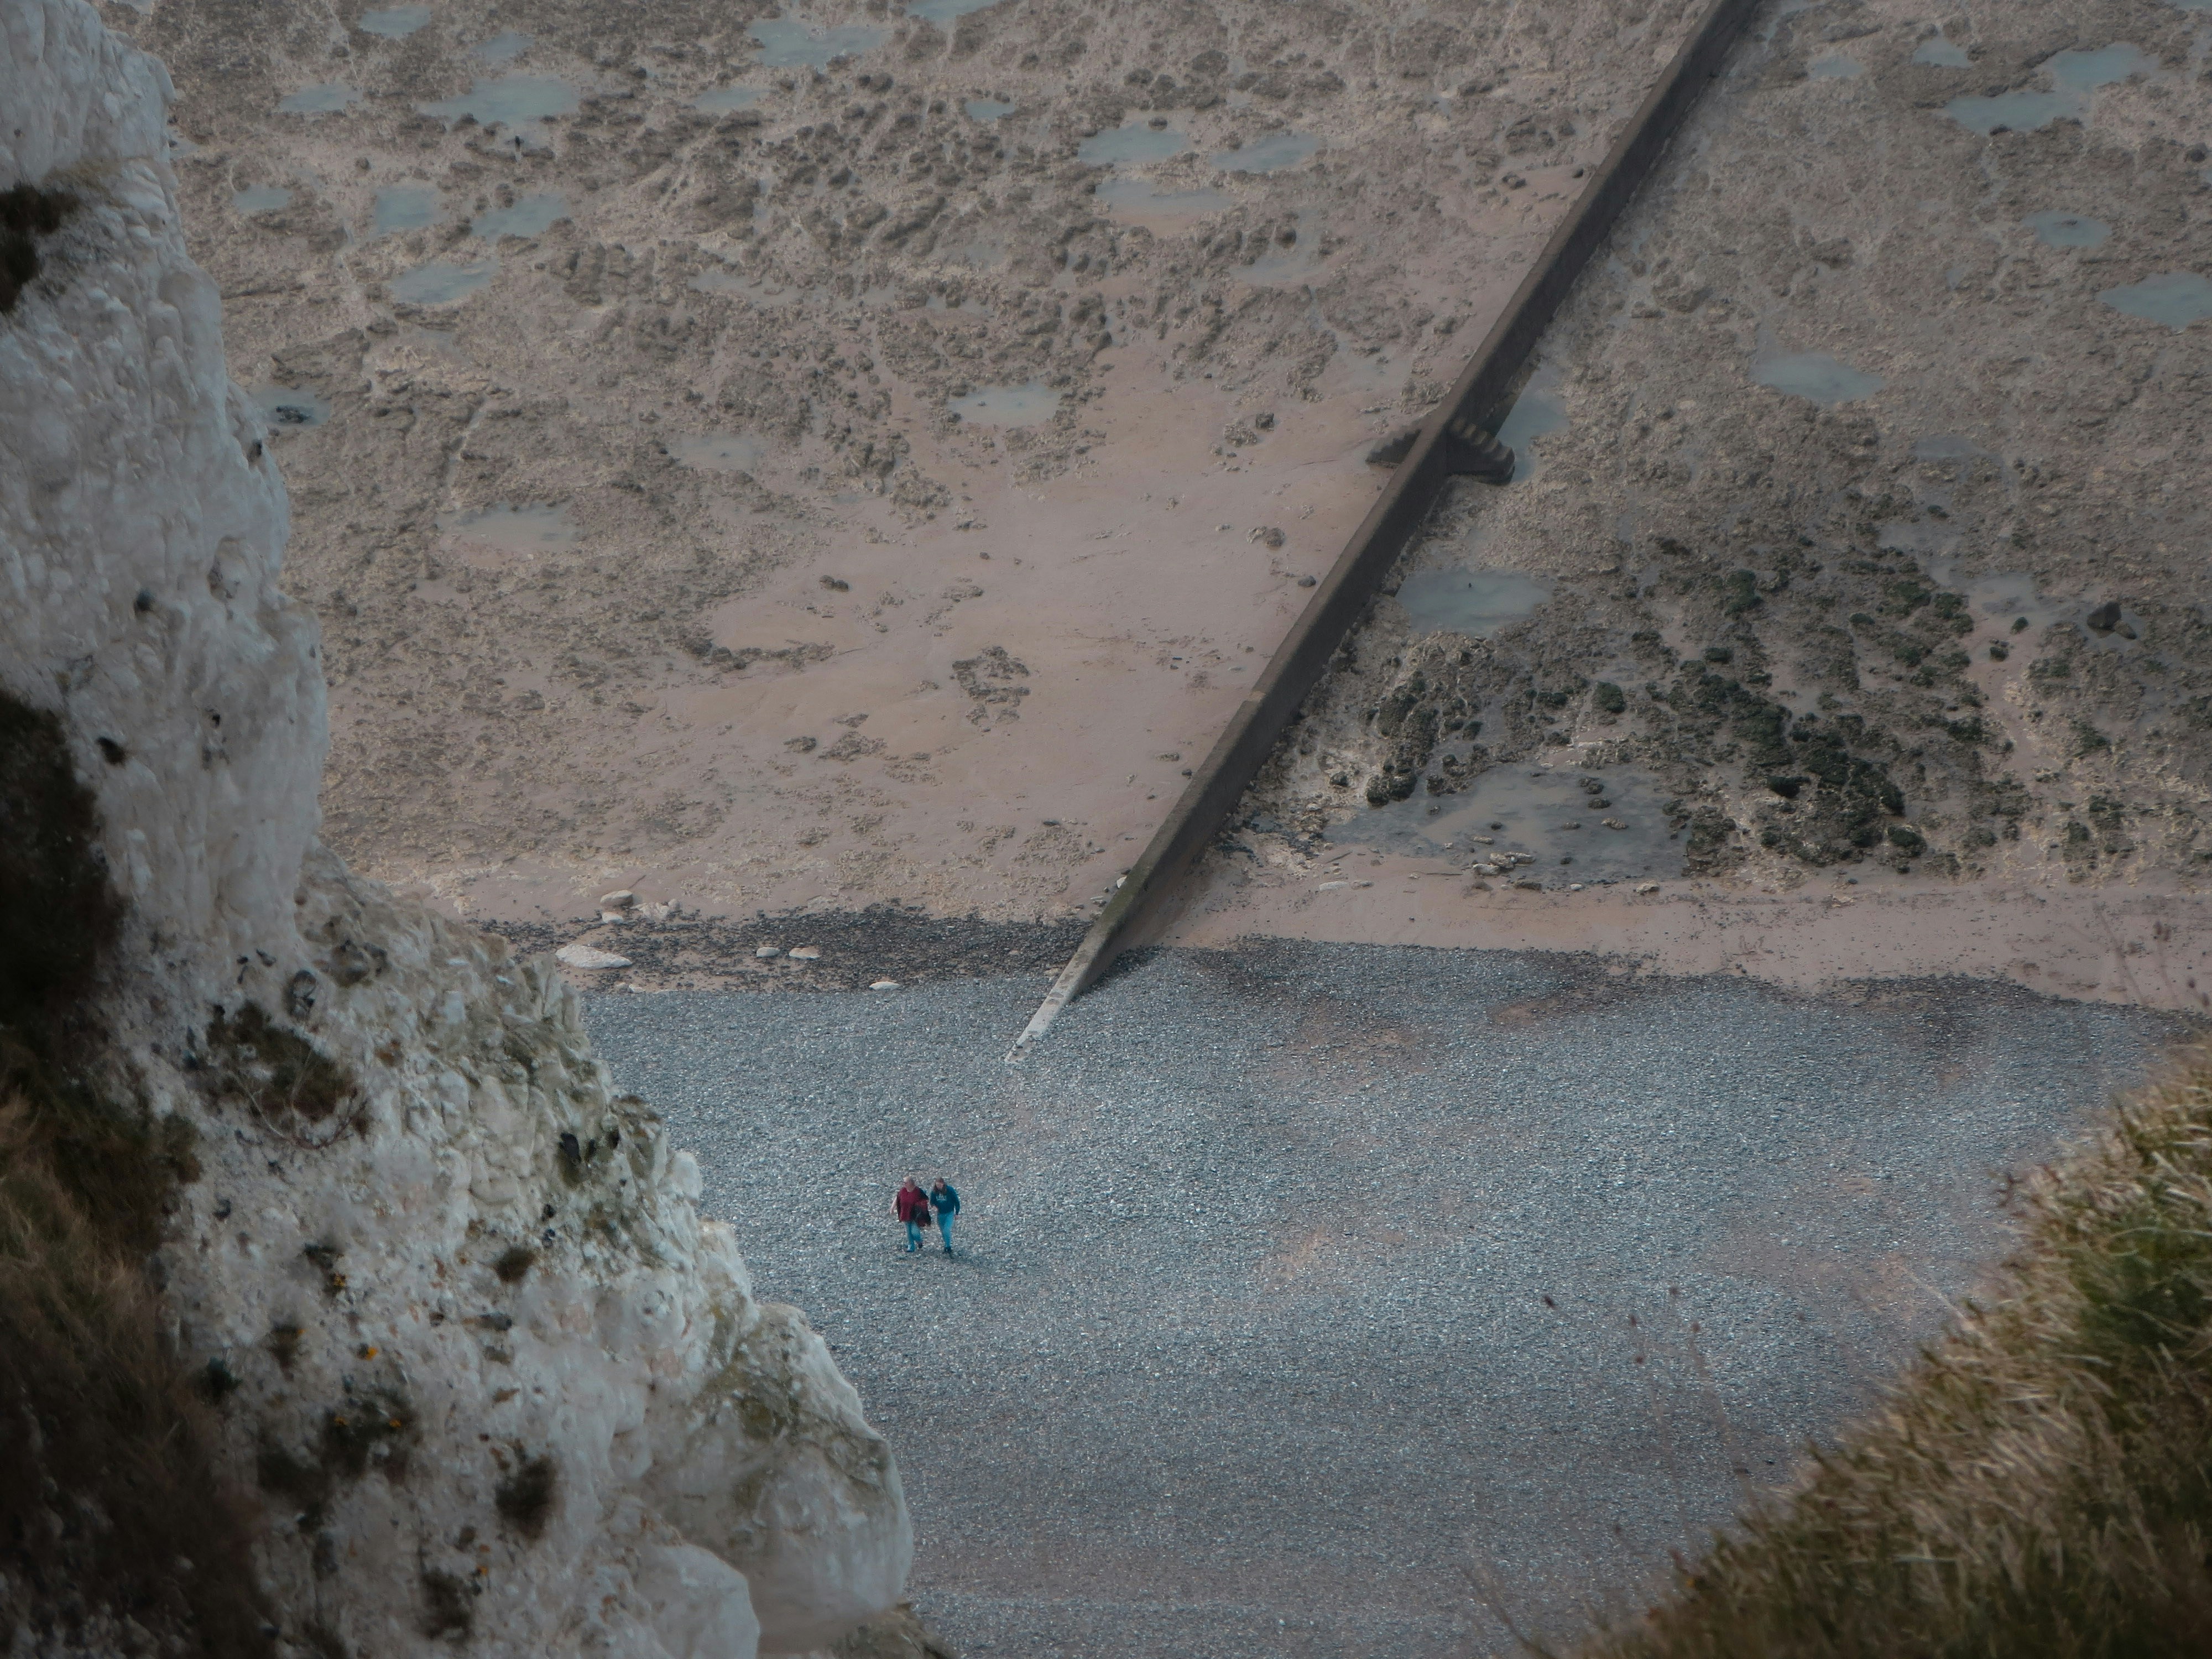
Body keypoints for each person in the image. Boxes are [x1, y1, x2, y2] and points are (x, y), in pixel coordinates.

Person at [896, 1176, 930, 1253]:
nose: (904, 1184)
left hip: (916, 1216)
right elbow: (898, 1199)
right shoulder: (902, 1191)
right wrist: (893, 1208)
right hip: (905, 1214)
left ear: (911, 1183)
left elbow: (925, 1200)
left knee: (915, 1232)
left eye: (906, 1183)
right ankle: (911, 1247)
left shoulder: (918, 1191)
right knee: (909, 1232)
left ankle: (919, 1241)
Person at [930, 1178, 961, 1254]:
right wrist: (934, 1207)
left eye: (940, 1184)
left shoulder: (950, 1190)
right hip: (940, 1214)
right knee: (943, 1231)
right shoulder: (934, 1192)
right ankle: (946, 1245)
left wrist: (957, 1213)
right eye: (937, 1185)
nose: (939, 1186)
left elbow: (956, 1201)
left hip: (949, 1213)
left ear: (943, 1184)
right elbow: (932, 1202)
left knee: (947, 1230)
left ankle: (948, 1247)